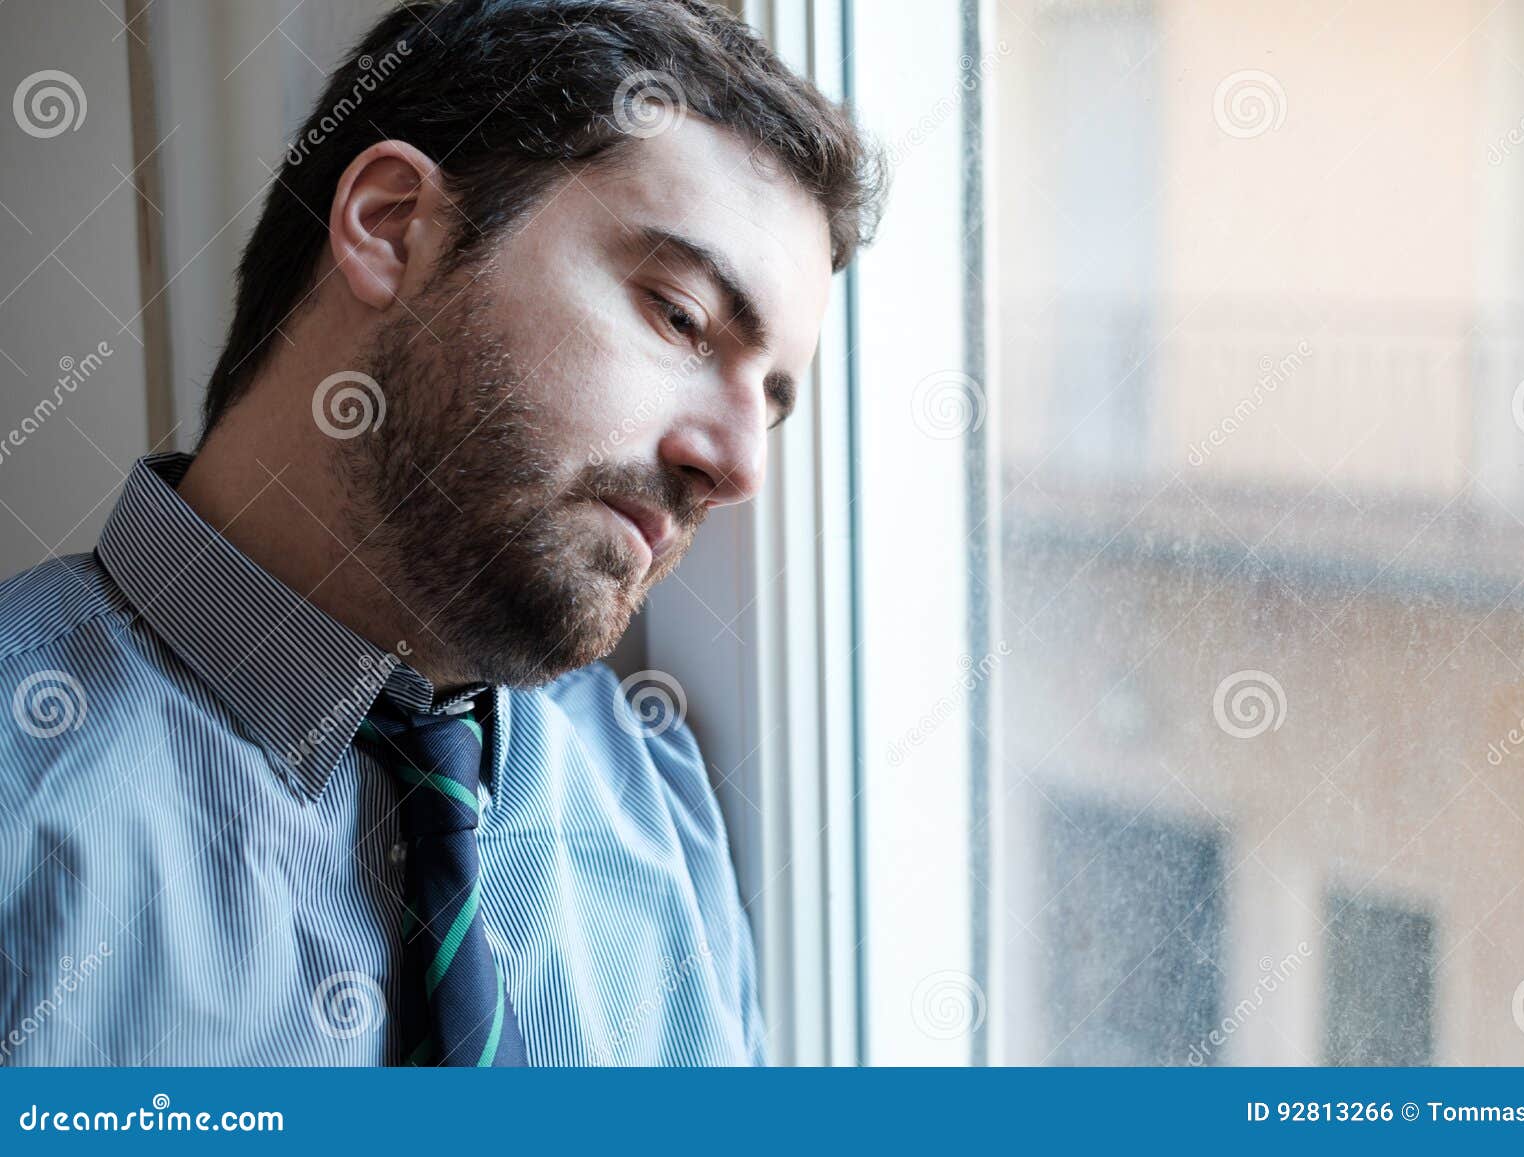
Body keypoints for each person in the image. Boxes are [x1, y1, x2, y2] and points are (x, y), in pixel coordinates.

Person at [0, 0, 882, 1066]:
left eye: (772, 401)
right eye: (681, 316)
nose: (738, 466)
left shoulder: (656, 800)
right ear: (390, 225)